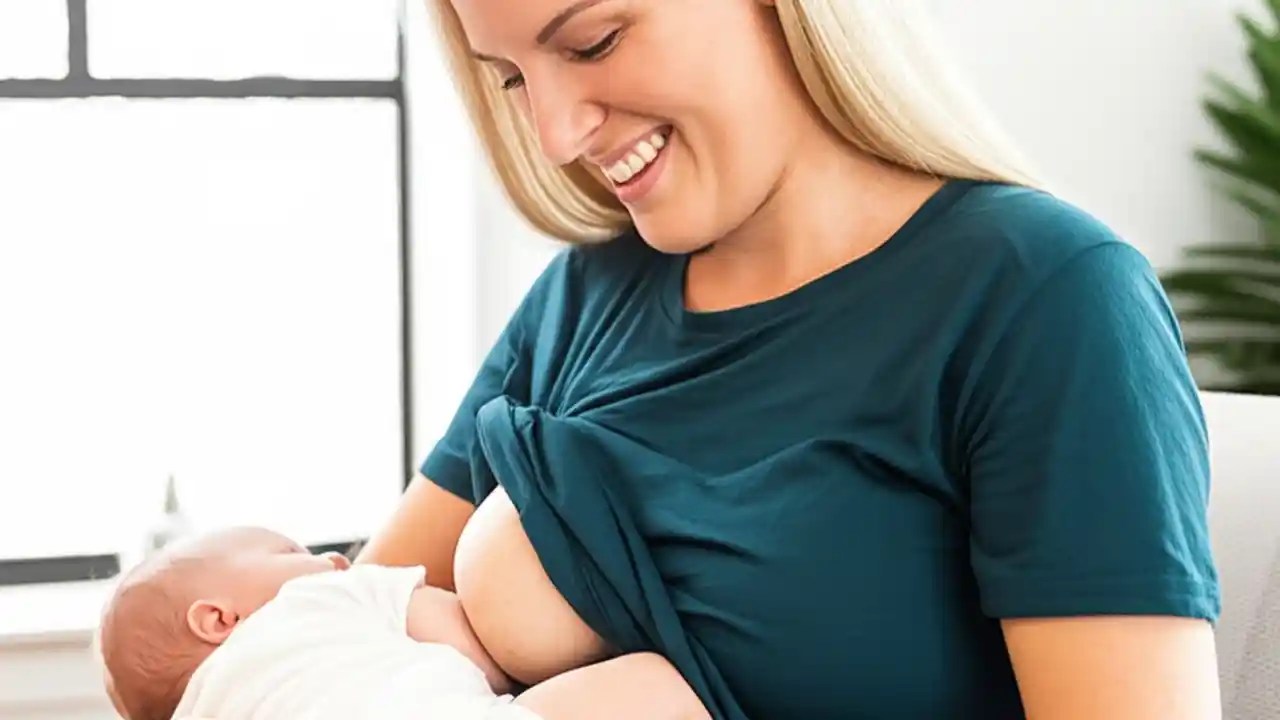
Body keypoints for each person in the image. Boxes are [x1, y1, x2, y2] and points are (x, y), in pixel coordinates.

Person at [358, 0, 1224, 718]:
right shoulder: (582, 300)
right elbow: (336, 632)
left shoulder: (1042, 297)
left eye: (594, 42)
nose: (554, 134)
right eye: (510, 77)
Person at [96, 527, 709, 720]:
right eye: (289, 551)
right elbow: (489, 650)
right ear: (217, 618)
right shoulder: (328, 598)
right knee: (661, 682)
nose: (330, 558)